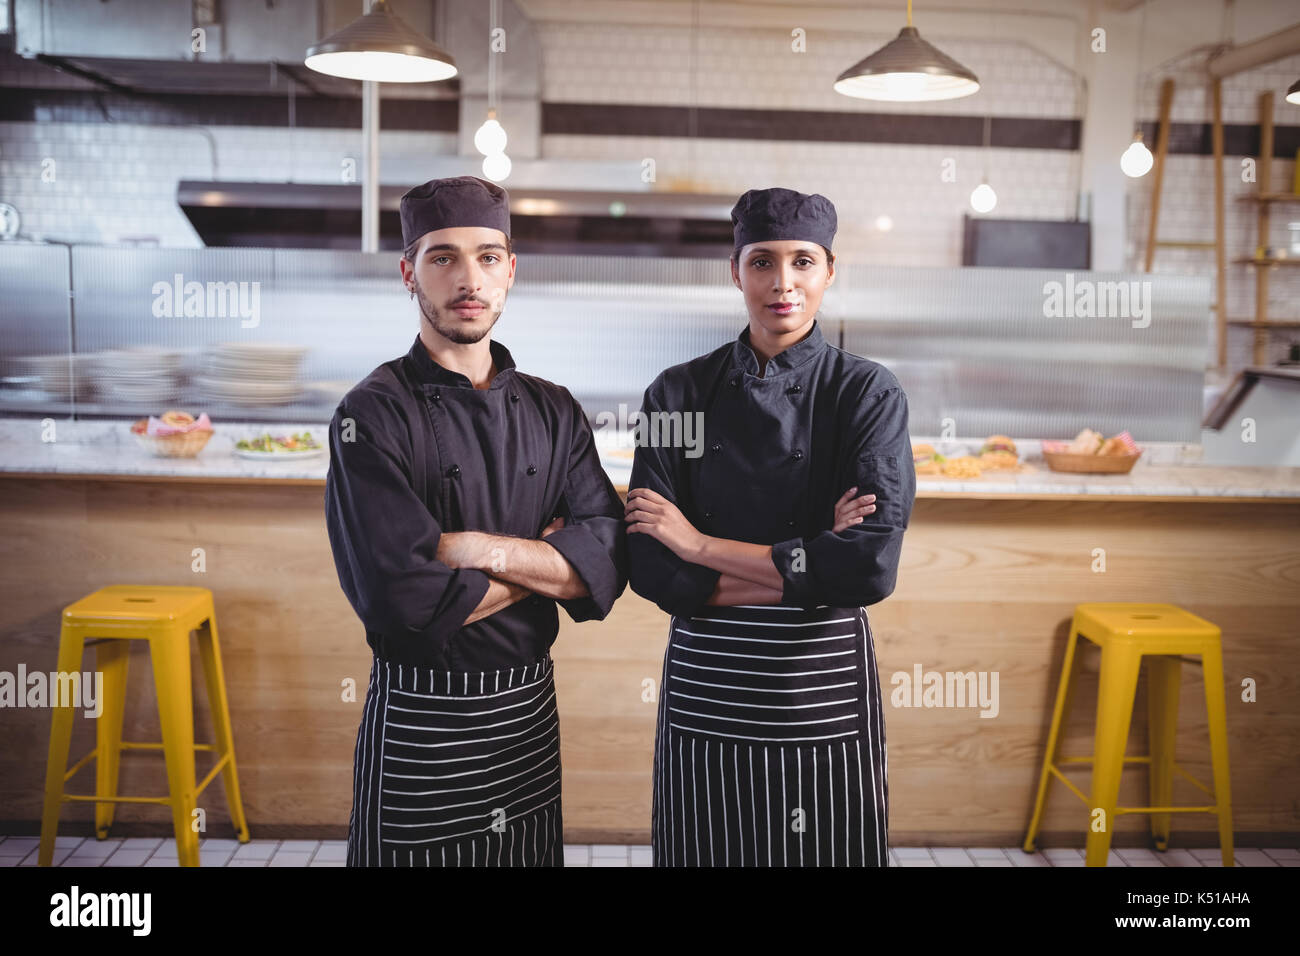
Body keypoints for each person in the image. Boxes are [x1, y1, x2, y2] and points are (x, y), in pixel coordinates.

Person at [324, 175, 627, 867]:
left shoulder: (555, 410)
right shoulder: (369, 415)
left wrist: (481, 551)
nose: (469, 278)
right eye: (443, 257)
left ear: (511, 270)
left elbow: (609, 554)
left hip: (525, 720)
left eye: (488, 256)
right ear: (409, 273)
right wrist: (546, 559)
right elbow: (399, 602)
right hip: (420, 729)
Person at [625, 186, 915, 867]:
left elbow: (869, 567)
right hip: (709, 691)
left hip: (816, 688)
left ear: (829, 271)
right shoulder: (677, 395)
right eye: (761, 262)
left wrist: (699, 547)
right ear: (735, 272)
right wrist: (813, 567)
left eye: (802, 262)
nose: (782, 283)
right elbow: (652, 569)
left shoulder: (866, 394)